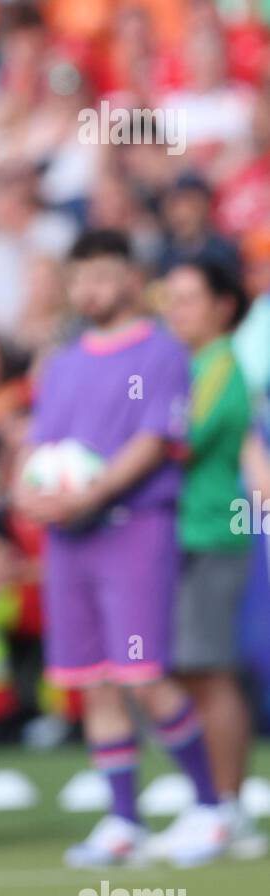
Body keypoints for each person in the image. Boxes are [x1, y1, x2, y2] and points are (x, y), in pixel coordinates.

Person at [15, 229, 229, 869]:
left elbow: (156, 437)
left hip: (135, 524)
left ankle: (211, 807)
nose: (91, 290)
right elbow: (38, 443)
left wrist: (95, 491)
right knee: (95, 680)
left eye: (104, 276)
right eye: (81, 278)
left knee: (144, 672)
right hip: (68, 534)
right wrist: (31, 492)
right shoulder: (65, 361)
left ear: (132, 279)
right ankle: (124, 820)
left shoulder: (163, 352)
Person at [160, 258, 266, 858]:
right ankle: (215, 802)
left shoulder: (221, 365)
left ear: (223, 306)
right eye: (171, 298)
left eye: (189, 298)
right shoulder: (197, 363)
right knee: (187, 669)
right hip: (187, 535)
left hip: (210, 534)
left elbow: (181, 438)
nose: (176, 310)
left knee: (209, 670)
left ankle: (226, 805)